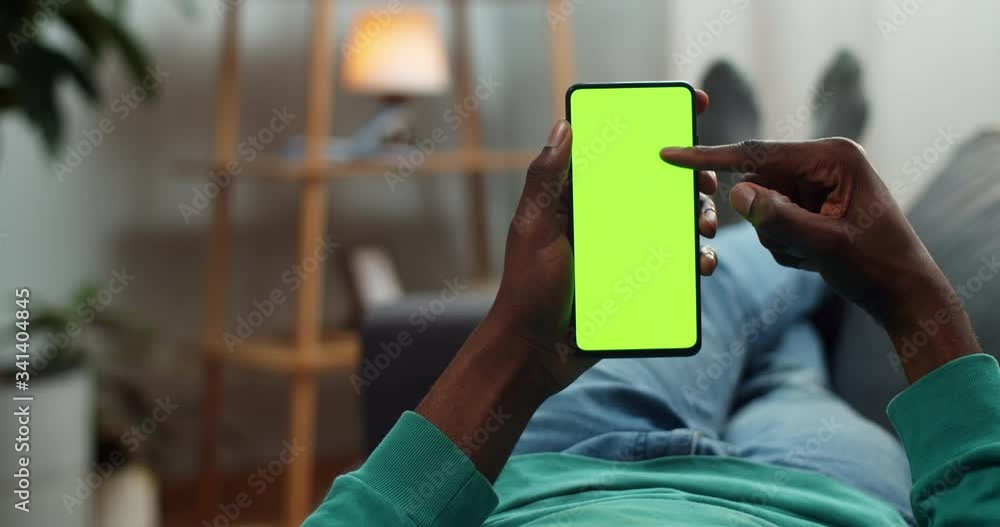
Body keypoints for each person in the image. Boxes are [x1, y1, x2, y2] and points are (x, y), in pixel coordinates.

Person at [302, 83, 999, 525]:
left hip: (563, 470)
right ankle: (777, 222)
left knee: (723, 300)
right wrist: (908, 295)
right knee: (786, 355)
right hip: (815, 490)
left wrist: (521, 344)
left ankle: (762, 216)